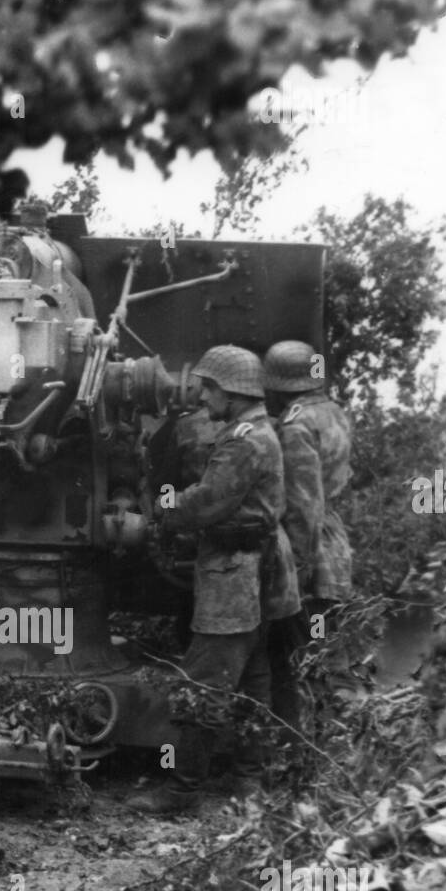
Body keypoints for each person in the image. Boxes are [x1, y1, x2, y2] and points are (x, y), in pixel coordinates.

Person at [134, 345, 300, 816]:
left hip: (235, 573)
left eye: (208, 388)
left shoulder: (243, 438)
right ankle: (250, 784)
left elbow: (207, 502)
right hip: (261, 572)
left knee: (203, 682)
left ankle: (183, 792)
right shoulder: (257, 431)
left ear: (228, 390)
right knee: (254, 680)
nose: (202, 398)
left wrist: (162, 510)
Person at [263, 340, 353, 742]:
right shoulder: (332, 412)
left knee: (295, 661)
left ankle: (301, 754)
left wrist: (293, 575)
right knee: (322, 653)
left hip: (311, 560)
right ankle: (327, 746)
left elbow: (301, 507)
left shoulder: (296, 425)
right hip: (334, 547)